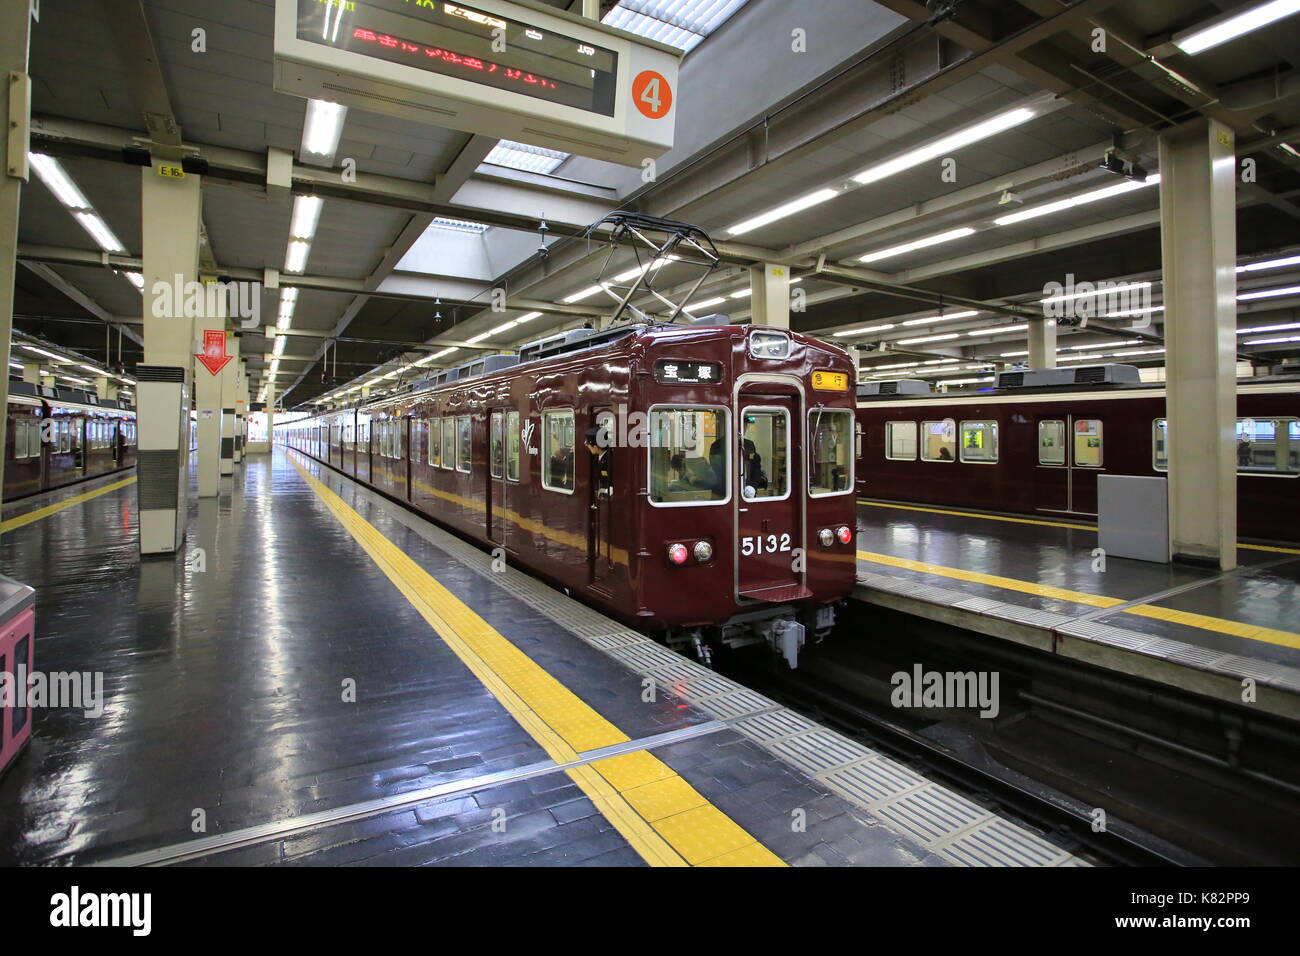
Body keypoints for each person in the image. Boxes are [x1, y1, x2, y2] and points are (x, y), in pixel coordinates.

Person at [585, 426, 611, 497]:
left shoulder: (610, 460)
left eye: (588, 445)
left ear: (595, 447)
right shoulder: (597, 456)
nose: (587, 447)